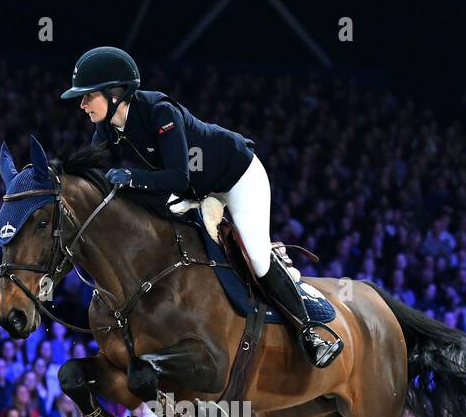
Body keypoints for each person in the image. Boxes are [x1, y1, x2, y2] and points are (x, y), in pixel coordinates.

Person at [61, 46, 342, 368]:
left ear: (115, 93)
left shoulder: (159, 112)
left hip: (236, 178)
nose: (81, 105)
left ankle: (311, 331)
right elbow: (94, 175)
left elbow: (178, 178)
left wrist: (130, 176)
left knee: (257, 257)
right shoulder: (107, 128)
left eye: (87, 96)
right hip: (196, 191)